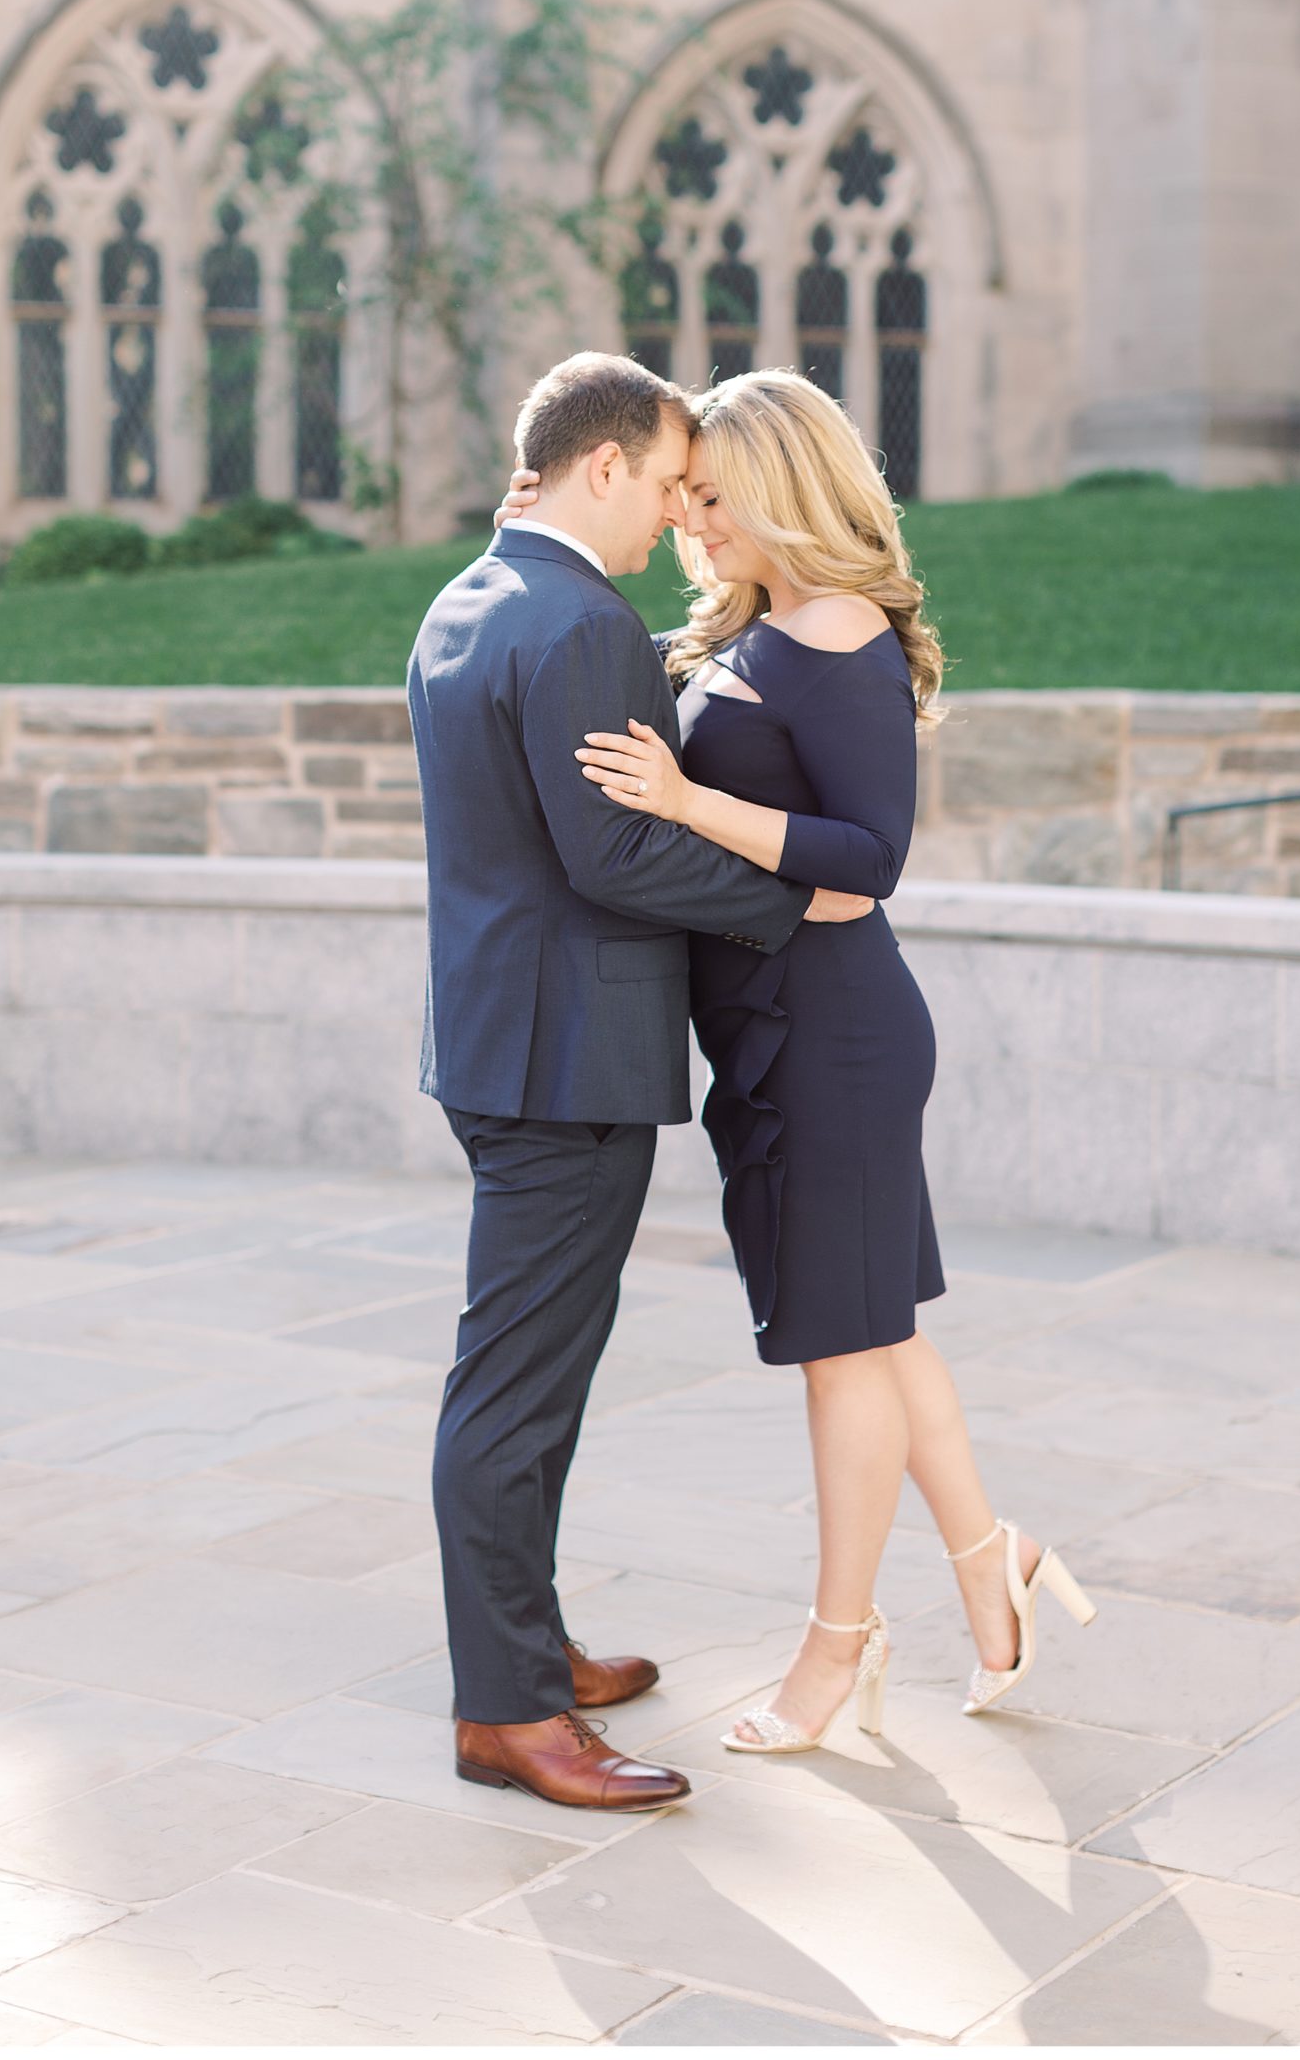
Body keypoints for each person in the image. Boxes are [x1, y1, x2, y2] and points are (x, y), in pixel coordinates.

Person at [497, 367, 1097, 1757]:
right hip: (777, 1029)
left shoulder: (838, 632)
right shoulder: (759, 629)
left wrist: (686, 797)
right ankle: (990, 1564)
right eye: (680, 492)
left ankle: (839, 1650)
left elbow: (867, 861)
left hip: (831, 1032)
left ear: (777, 492)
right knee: (878, 1327)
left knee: (842, 1349)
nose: (688, 517)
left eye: (708, 495)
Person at [407, 352, 875, 1812]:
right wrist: (796, 900)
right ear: (601, 467)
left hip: (500, 1042)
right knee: (518, 1388)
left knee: (525, 1374)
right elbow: (612, 849)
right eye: (671, 482)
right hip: (569, 1061)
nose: (677, 513)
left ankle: (529, 1650)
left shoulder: (464, 602)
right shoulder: (586, 622)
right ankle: (507, 1712)